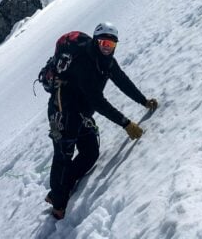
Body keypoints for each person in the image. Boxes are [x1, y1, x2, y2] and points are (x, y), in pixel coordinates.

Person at [45, 22, 158, 220]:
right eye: (104, 43)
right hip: (63, 112)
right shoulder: (83, 63)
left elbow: (123, 81)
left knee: (90, 153)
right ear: (96, 41)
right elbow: (97, 102)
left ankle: (61, 189)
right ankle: (58, 206)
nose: (107, 48)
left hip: (81, 113)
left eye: (111, 45)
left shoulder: (107, 62)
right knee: (63, 156)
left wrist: (143, 101)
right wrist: (126, 123)